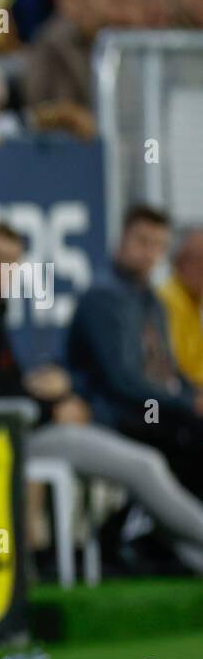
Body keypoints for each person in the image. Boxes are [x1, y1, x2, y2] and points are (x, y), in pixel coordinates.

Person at [0, 223, 203, 572]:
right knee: (145, 466)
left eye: (10, 261)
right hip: (1, 439)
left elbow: (5, 385)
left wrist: (48, 390)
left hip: (29, 428)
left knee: (151, 469)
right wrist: (51, 405)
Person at [67, 205, 203, 498]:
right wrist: (186, 404)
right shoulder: (103, 297)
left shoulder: (151, 299)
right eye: (142, 241)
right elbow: (124, 380)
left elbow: (168, 368)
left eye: (158, 245)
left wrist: (193, 395)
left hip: (157, 413)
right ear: (122, 240)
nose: (149, 253)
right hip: (120, 417)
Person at [158, 228, 203, 388]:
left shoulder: (193, 300)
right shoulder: (168, 301)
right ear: (179, 262)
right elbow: (175, 367)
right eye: (198, 261)